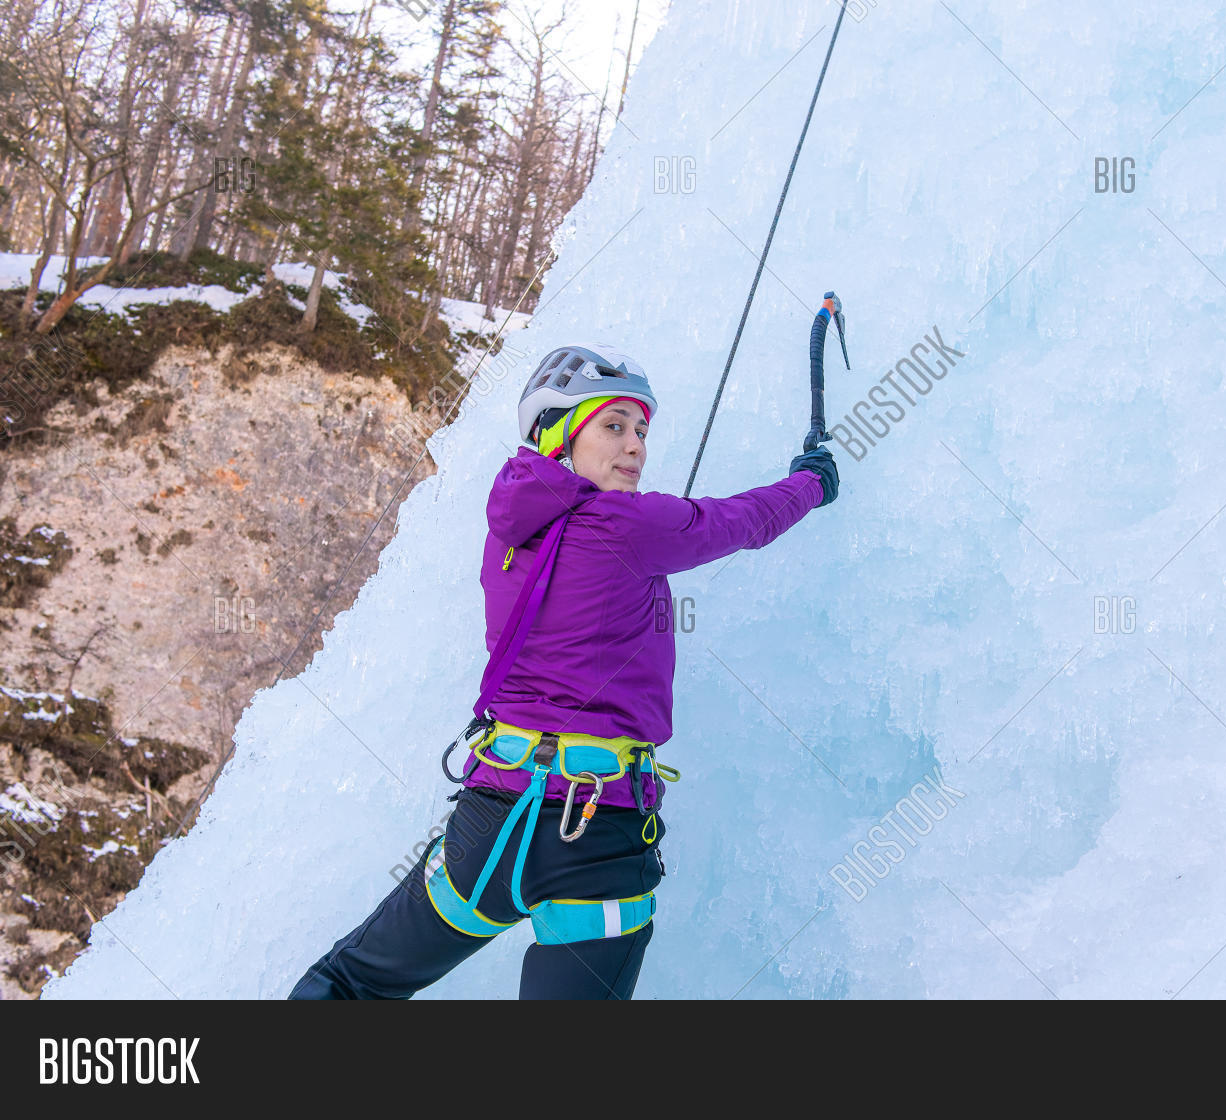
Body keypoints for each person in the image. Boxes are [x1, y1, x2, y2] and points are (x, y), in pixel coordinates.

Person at [289, 342, 838, 999]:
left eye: (640, 429)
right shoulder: (624, 522)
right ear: (558, 436)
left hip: (490, 829)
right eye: (612, 426)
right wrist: (813, 481)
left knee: (349, 981)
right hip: (595, 836)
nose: (634, 445)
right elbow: (737, 521)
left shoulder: (508, 531)